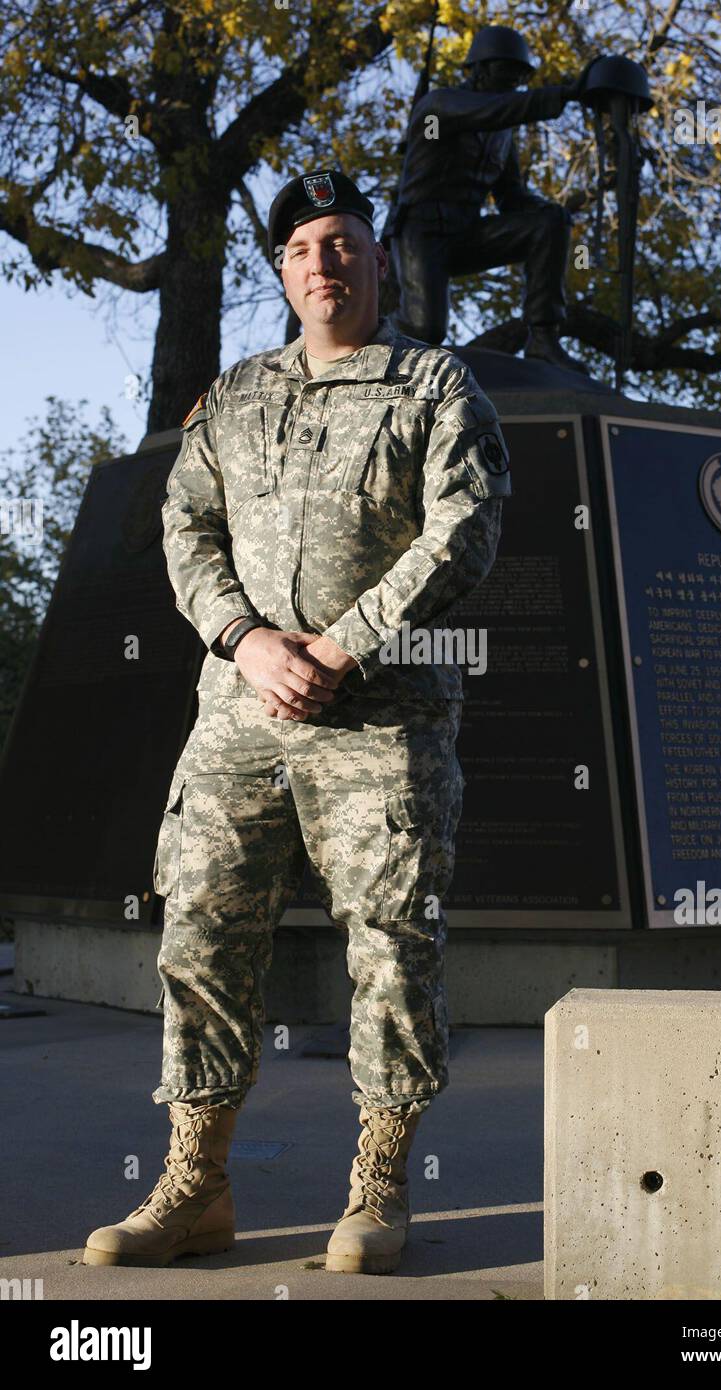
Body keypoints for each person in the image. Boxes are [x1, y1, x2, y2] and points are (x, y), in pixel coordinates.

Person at [82, 167, 512, 1276]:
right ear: (281, 271)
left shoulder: (432, 385)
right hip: (239, 715)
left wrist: (340, 642)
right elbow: (187, 530)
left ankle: (375, 1188)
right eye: (303, 248)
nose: (324, 263)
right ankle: (196, 1184)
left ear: (377, 261)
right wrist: (248, 640)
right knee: (202, 940)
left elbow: (461, 529)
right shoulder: (233, 396)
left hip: (380, 722)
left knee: (391, 947)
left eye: (343, 243)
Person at [386, 23, 590, 372]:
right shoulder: (440, 104)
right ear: (478, 70)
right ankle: (371, 337)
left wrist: (553, 214)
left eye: (520, 73)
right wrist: (566, 94)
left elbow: (511, 196)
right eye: (506, 69)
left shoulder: (502, 133)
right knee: (425, 329)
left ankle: (543, 338)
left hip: (466, 233)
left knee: (548, 223)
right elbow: (495, 110)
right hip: (421, 233)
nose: (513, 79)